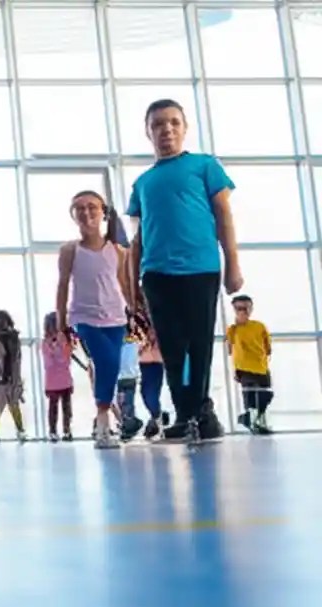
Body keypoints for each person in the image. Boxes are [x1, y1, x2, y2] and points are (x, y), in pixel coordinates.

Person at [127, 98, 243, 442]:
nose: (167, 129)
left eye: (173, 122)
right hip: (157, 275)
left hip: (199, 269)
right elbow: (138, 239)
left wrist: (233, 264)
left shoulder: (205, 166)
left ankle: (199, 412)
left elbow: (224, 215)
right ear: (148, 132)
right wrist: (132, 286)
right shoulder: (142, 183)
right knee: (173, 347)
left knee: (198, 345)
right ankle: (187, 414)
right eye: (158, 124)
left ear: (185, 127)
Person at [58, 190, 135, 449]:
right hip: (85, 318)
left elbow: (124, 285)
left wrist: (136, 312)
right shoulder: (69, 250)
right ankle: (103, 422)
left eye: (92, 206)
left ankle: (105, 421)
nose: (86, 212)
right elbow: (62, 286)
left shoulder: (118, 251)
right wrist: (61, 324)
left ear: (103, 212)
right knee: (106, 362)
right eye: (79, 208)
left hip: (115, 318)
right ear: (73, 215)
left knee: (110, 367)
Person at [226, 294, 273, 434]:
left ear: (251, 309)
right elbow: (230, 350)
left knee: (266, 394)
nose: (243, 311)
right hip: (244, 368)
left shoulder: (259, 326)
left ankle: (252, 420)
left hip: (261, 366)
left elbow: (268, 347)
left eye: (246, 308)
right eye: (239, 308)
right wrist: (235, 369)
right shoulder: (233, 329)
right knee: (250, 396)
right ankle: (253, 422)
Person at [0, 310, 25, 443]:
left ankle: (17, 430)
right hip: (1, 380)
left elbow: (16, 362)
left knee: (11, 407)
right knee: (1, 408)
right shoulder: (1, 342)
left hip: (7, 380)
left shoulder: (13, 341)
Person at [132, 310, 168, 439]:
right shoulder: (139, 322)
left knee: (152, 393)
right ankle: (157, 416)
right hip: (146, 362)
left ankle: (157, 417)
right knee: (145, 392)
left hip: (155, 361)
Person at [40, 312, 75, 443]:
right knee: (54, 407)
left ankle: (66, 430)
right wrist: (55, 348)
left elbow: (65, 360)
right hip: (53, 381)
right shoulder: (45, 343)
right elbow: (49, 363)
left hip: (63, 379)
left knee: (66, 407)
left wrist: (57, 348)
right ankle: (53, 431)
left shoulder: (64, 340)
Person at [118, 330, 142, 438]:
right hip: (130, 377)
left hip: (122, 378)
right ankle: (130, 423)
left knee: (124, 403)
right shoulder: (134, 343)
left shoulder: (116, 345)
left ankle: (129, 425)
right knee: (128, 403)